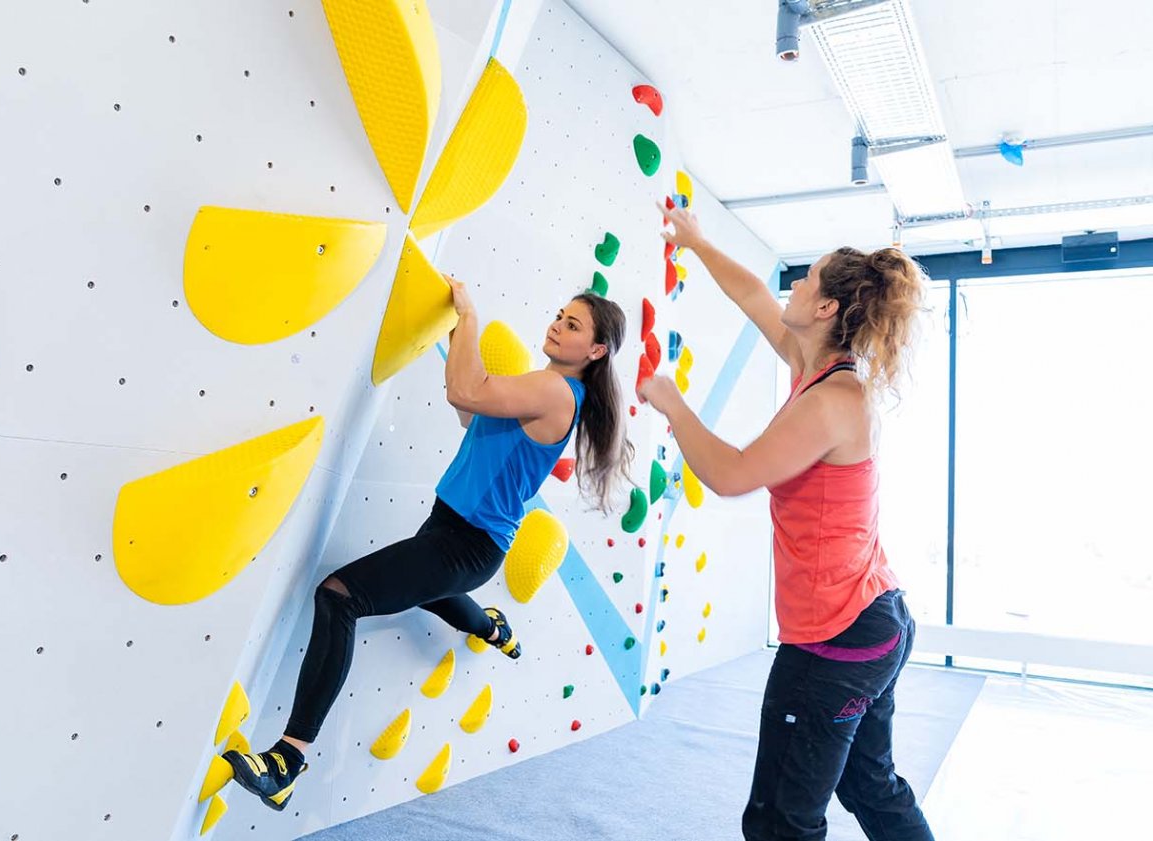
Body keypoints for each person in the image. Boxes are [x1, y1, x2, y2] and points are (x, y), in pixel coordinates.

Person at [224, 278, 633, 811]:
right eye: (560, 315)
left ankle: (287, 761)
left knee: (340, 596)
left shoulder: (556, 392)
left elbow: (465, 392)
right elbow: (469, 409)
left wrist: (467, 315)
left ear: (596, 350)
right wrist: (463, 345)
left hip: (470, 543)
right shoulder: (541, 384)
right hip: (450, 524)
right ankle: (491, 626)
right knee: (427, 590)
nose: (557, 325)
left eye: (573, 325)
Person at [639, 201, 935, 841]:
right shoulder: (814, 366)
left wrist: (671, 403)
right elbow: (751, 293)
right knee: (868, 786)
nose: (793, 286)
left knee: (780, 820)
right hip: (860, 624)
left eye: (806, 279)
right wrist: (695, 241)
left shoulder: (832, 400)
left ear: (826, 307)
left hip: (844, 637)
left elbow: (733, 474)